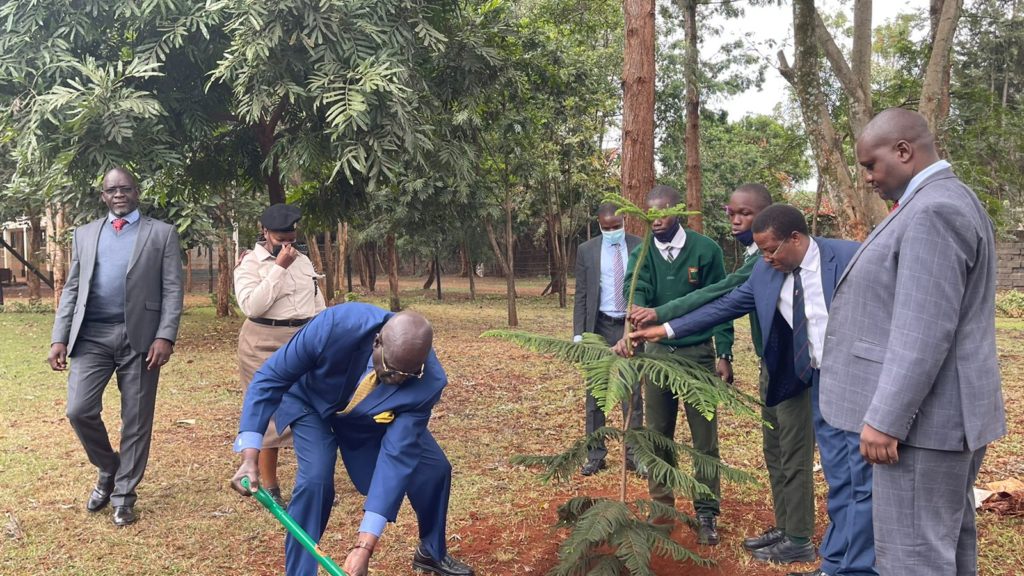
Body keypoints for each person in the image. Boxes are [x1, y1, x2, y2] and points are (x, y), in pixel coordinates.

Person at [628, 204, 873, 576]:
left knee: (857, 476)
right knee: (837, 475)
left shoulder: (850, 257)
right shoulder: (765, 270)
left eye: (771, 250)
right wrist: (664, 329)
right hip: (804, 375)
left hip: (852, 380)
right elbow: (724, 305)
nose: (766, 258)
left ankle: (855, 559)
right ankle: (834, 558)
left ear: (796, 239)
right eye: (761, 252)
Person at [820, 108, 1005, 576]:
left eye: (870, 165)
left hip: (925, 424)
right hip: (943, 418)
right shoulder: (945, 200)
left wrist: (885, 419)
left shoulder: (934, 210)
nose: (866, 178)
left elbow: (923, 329)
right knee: (945, 545)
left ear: (904, 151)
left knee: (913, 558)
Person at [230, 304, 474, 576]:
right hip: (310, 402)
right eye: (391, 371)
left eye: (408, 375)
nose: (396, 381)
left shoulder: (427, 380)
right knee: (316, 480)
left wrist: (364, 546)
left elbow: (397, 456)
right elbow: (270, 378)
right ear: (377, 342)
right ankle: (299, 572)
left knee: (434, 469)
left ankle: (431, 552)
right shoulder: (336, 324)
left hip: (366, 417)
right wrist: (249, 456)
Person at [47, 167, 184, 527]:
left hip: (139, 338)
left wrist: (165, 336)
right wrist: (59, 337)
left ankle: (124, 495)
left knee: (136, 419)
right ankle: (109, 467)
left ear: (136, 191)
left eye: (125, 188)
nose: (119, 194)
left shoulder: (162, 234)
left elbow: (172, 289)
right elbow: (73, 289)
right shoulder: (85, 234)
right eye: (112, 190)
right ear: (104, 196)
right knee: (78, 410)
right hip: (91, 335)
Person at [623, 184, 734, 545]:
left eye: (663, 213)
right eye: (650, 214)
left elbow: (722, 302)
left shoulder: (706, 251)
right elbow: (635, 289)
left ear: (679, 211)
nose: (656, 221)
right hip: (656, 358)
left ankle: (706, 512)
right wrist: (637, 312)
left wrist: (724, 352)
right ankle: (662, 507)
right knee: (659, 435)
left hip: (697, 355)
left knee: (704, 438)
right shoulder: (642, 255)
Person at [234, 203, 326, 507]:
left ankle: (310, 484)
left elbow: (315, 299)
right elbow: (253, 307)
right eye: (279, 237)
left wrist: (323, 331)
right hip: (262, 339)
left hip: (301, 338)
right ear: (264, 232)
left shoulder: (303, 260)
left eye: (291, 237)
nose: (287, 244)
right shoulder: (249, 264)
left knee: (307, 408)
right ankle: (269, 486)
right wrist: (278, 268)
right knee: (269, 412)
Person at [572, 202, 642, 476]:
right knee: (595, 393)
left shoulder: (639, 246)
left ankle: (635, 454)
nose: (613, 231)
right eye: (607, 228)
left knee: (631, 392)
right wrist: (579, 333)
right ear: (599, 225)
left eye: (617, 227)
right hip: (598, 326)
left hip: (628, 326)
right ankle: (596, 454)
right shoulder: (586, 251)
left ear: (624, 223)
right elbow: (581, 294)